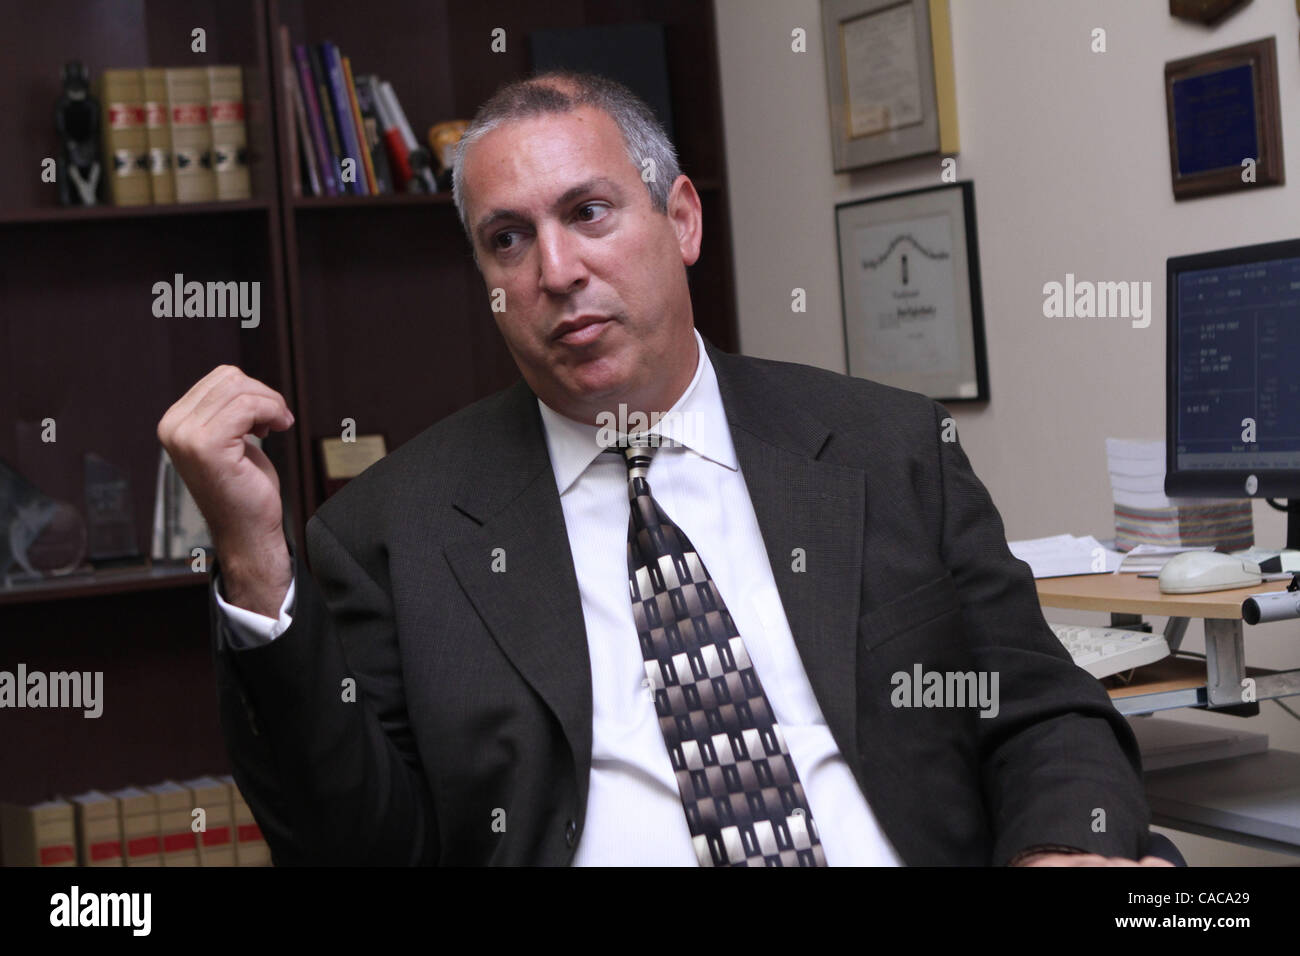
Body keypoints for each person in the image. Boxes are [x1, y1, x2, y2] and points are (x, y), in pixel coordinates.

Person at [158, 70, 1170, 867]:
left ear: (679, 220)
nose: (555, 271)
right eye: (508, 240)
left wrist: (1062, 847)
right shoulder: (393, 533)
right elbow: (350, 849)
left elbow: (1041, 710)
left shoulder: (887, 447)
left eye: (588, 212)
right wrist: (254, 562)